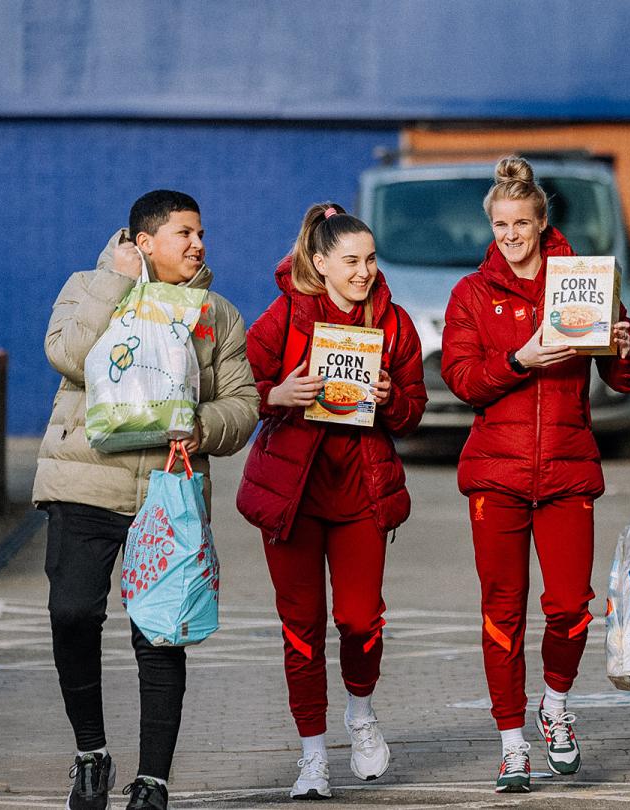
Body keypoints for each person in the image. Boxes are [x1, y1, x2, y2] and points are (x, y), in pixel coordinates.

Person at [34, 190, 259, 810]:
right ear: (144, 241)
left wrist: (195, 423)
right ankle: (90, 753)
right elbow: (67, 356)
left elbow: (243, 406)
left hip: (170, 489)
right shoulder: (88, 287)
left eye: (201, 233)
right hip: (84, 479)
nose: (198, 244)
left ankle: (153, 782)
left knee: (160, 634)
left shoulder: (216, 314)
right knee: (72, 614)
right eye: (184, 233)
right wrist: (117, 283)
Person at [441, 156, 630, 793]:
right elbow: (462, 380)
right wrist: (519, 358)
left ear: (541, 221)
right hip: (495, 474)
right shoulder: (471, 295)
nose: (510, 235)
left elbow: (628, 380)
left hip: (566, 469)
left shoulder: (583, 282)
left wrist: (625, 345)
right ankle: (511, 743)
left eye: (521, 223)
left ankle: (555, 706)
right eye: (501, 224)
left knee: (570, 610)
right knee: (501, 612)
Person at [235, 203, 426, 799]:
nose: (364, 271)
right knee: (302, 628)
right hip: (292, 497)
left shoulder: (392, 325)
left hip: (362, 496)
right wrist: (278, 394)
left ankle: (361, 715)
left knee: (360, 620)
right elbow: (236, 388)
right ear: (320, 264)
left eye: (371, 260)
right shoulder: (287, 315)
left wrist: (392, 396)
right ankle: (312, 755)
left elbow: (414, 411)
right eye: (351, 261)